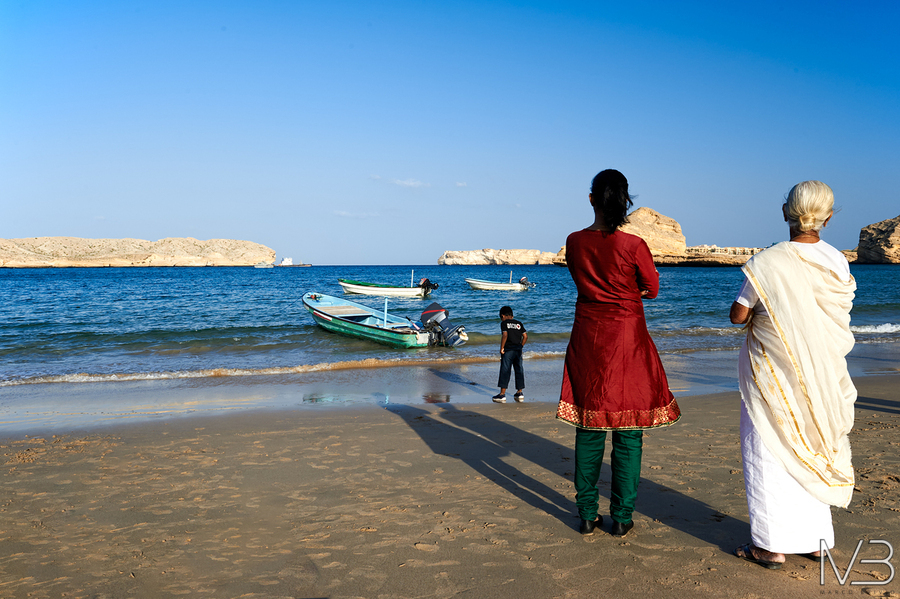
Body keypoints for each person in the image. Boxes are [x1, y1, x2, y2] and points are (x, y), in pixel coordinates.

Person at [729, 180, 856, 569]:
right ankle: (817, 540)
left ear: (786, 212)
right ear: (828, 218)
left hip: (773, 374)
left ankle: (770, 545)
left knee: (767, 450)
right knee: (814, 445)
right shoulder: (838, 260)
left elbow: (738, 314)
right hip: (822, 374)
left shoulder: (770, 262)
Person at [556, 169, 681, 537]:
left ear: (592, 199)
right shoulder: (634, 246)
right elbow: (652, 288)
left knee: (589, 425)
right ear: (625, 202)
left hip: (589, 338)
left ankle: (586, 513)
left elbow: (582, 279)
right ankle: (623, 517)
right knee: (629, 429)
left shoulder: (575, 242)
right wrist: (629, 292)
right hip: (626, 338)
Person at [493, 306, 527, 403]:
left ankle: (502, 394)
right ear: (512, 315)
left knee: (505, 370)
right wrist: (521, 346)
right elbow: (525, 336)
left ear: (502, 315)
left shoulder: (504, 323)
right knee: (519, 369)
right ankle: (519, 393)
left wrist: (502, 348)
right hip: (518, 350)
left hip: (508, 350)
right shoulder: (518, 323)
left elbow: (505, 335)